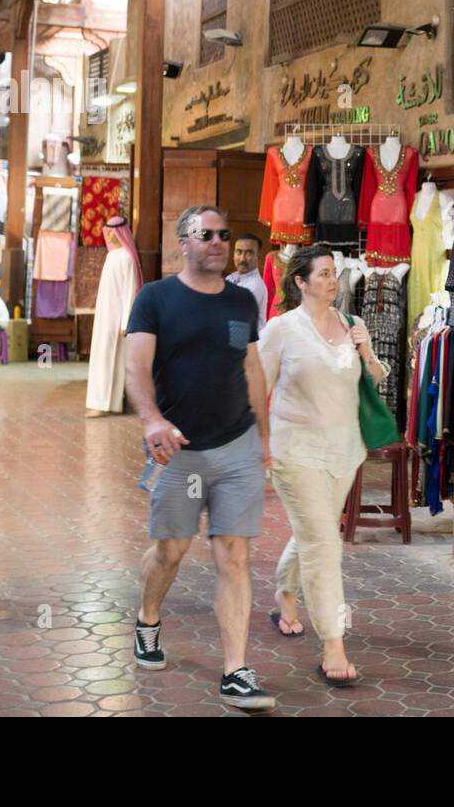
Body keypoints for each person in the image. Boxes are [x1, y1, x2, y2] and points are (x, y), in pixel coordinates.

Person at [125, 205, 275, 711]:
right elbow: (136, 367)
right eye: (205, 234)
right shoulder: (156, 299)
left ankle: (235, 670)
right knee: (171, 551)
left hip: (236, 447)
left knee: (234, 554)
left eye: (223, 234)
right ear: (183, 242)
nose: (217, 241)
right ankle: (148, 620)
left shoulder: (241, 302)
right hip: (181, 451)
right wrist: (151, 420)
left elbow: (251, 366)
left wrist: (264, 434)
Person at [257, 244, 388, 687]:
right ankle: (334, 644)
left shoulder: (352, 323)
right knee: (325, 545)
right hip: (295, 451)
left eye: (336, 272)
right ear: (301, 282)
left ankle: (285, 592)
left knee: (314, 532)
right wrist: (257, 442)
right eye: (325, 273)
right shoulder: (281, 330)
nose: (334, 280)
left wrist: (367, 352)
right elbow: (259, 389)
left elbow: (376, 377)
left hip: (345, 451)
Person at [85, 216, 143, 418]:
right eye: (107, 230)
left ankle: (105, 404)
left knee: (110, 359)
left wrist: (126, 321)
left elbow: (130, 291)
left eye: (112, 230)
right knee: (102, 358)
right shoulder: (112, 256)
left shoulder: (127, 258)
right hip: (105, 316)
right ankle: (103, 402)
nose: (108, 234)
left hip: (117, 318)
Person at [225, 233, 268, 330]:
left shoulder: (255, 286)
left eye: (248, 253)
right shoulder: (230, 278)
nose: (242, 258)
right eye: (239, 252)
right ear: (233, 255)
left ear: (258, 256)